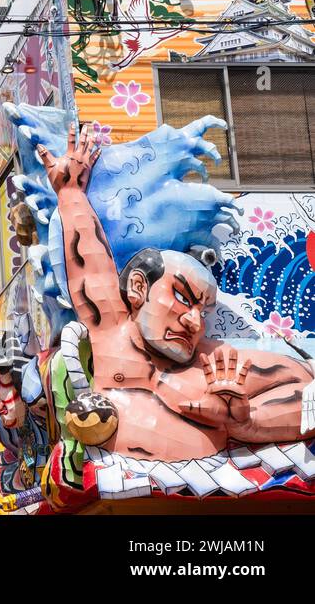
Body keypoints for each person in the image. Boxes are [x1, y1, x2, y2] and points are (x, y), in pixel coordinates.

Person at [39, 121, 315, 461]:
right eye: (183, 297)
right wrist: (69, 193)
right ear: (139, 287)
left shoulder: (217, 364)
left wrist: (249, 421)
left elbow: (308, 389)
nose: (194, 321)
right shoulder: (111, 332)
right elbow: (89, 263)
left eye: (203, 310)